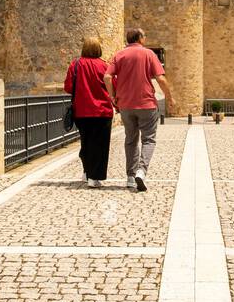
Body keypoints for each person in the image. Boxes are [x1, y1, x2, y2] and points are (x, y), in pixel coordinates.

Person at [104, 27, 175, 192]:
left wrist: (112, 96)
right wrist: (169, 97)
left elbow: (107, 76)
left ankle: (130, 177)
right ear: (140, 38)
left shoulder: (119, 55)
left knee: (130, 139)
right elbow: (161, 78)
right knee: (148, 140)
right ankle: (141, 171)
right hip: (146, 104)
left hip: (126, 105)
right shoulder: (149, 54)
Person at [64, 37, 115, 187]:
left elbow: (68, 87)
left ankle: (86, 172)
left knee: (85, 142)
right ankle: (94, 177)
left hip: (81, 111)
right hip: (102, 111)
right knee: (100, 144)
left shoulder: (75, 65)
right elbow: (113, 85)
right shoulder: (104, 66)